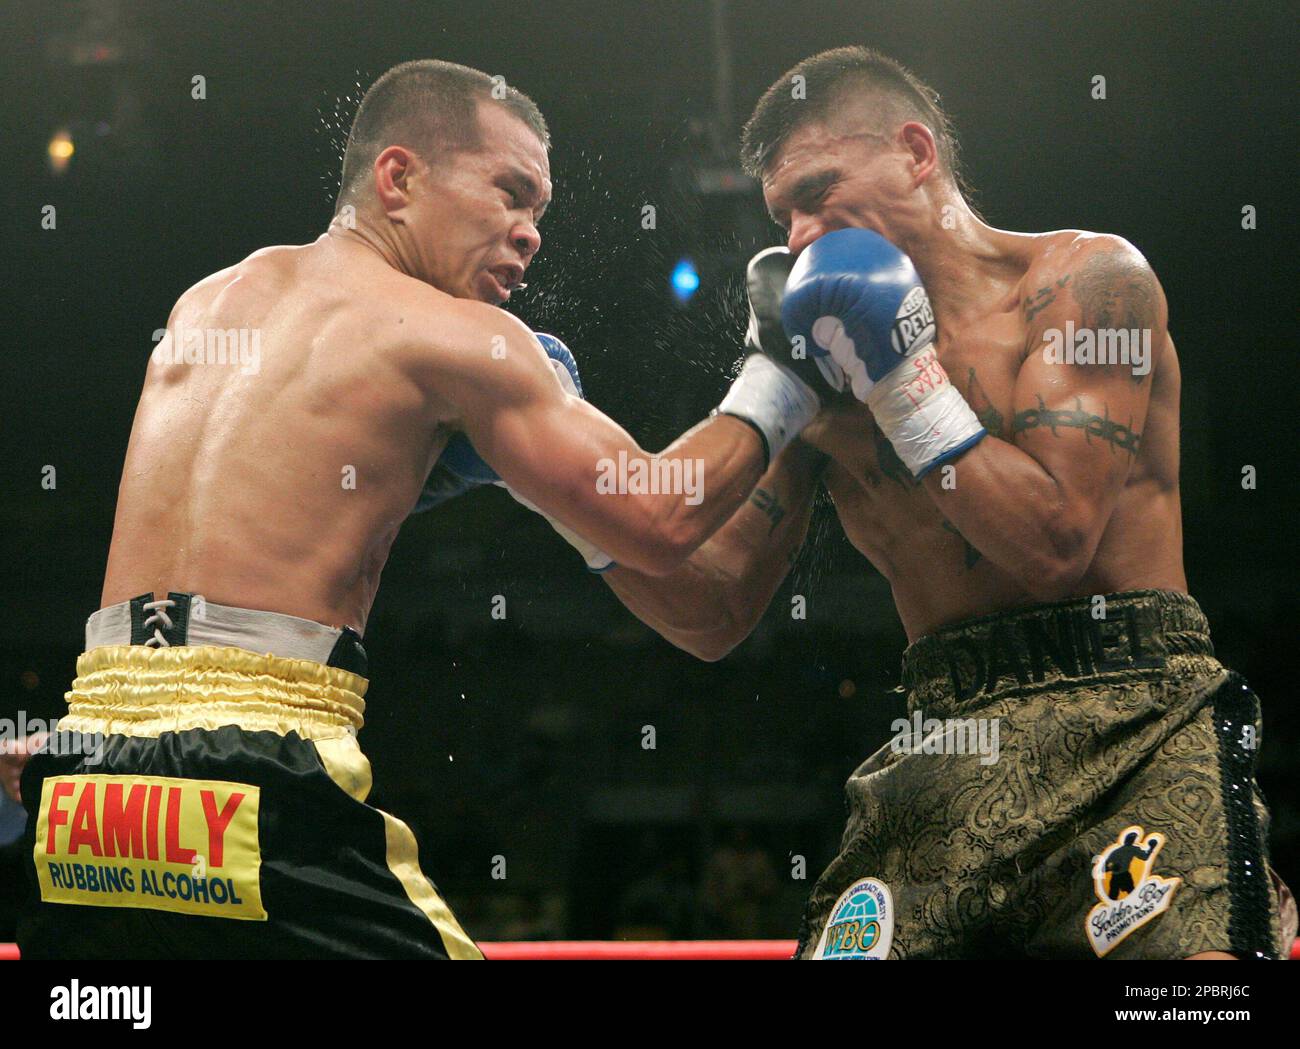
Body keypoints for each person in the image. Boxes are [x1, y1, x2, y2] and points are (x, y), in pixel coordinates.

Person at [9, 59, 828, 960]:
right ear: (398, 178)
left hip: (88, 781)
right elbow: (664, 523)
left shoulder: (207, 301)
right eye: (510, 194)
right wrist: (784, 370)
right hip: (249, 773)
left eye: (541, 213)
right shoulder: (462, 341)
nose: (531, 234)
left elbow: (706, 609)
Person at [599, 46, 1294, 959]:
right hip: (947, 738)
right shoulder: (818, 368)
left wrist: (899, 375)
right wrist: (560, 491)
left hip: (1136, 718)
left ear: (917, 153)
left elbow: (1054, 541)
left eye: (819, 190)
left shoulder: (1090, 284)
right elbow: (714, 604)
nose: (801, 234)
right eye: (783, 215)